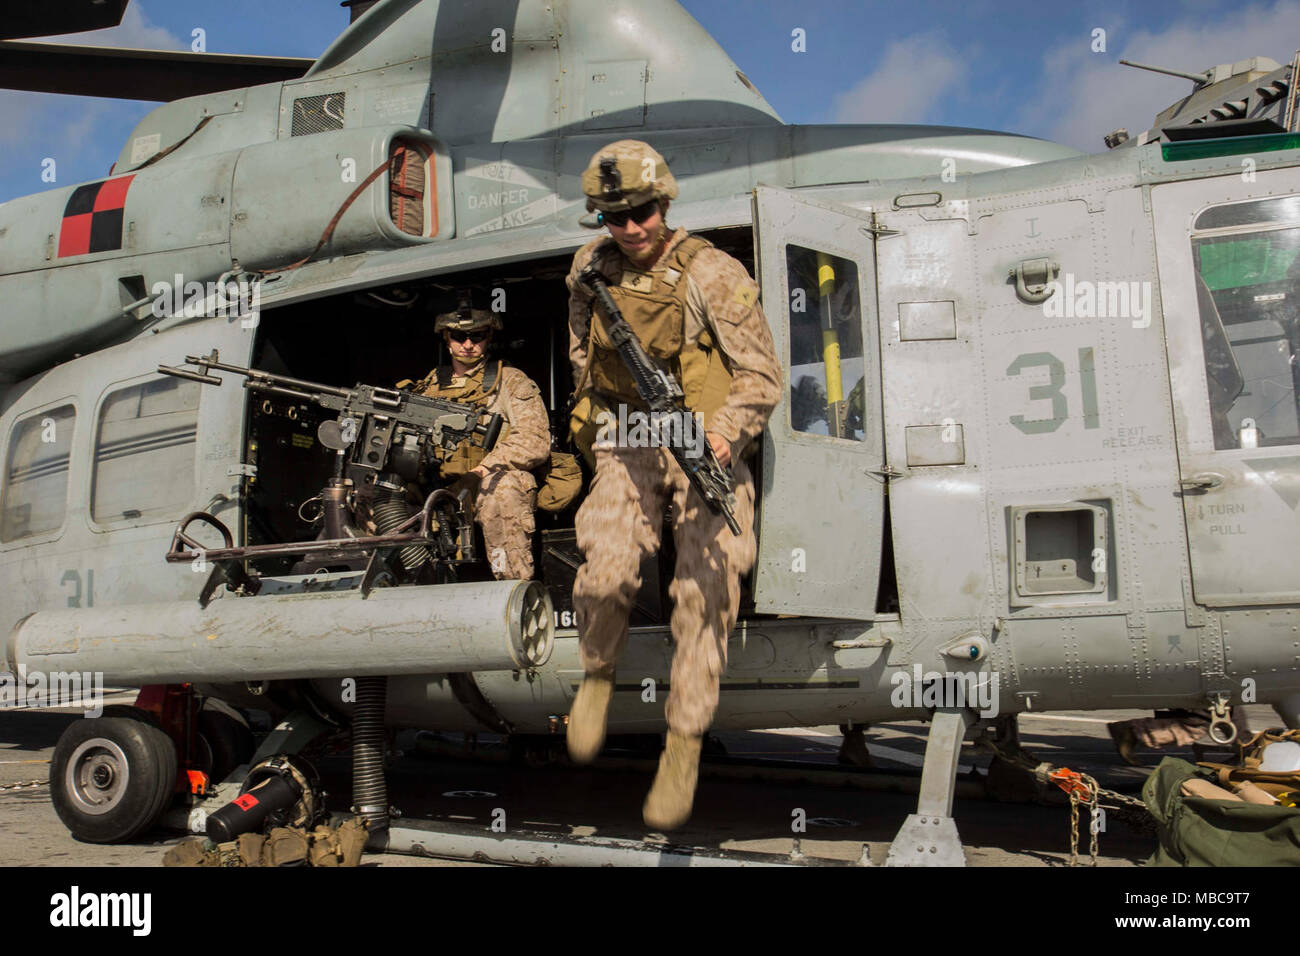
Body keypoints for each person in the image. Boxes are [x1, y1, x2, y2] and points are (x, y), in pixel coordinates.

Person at [564, 140, 782, 829]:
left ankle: (683, 744)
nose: (631, 228)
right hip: (628, 434)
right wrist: (595, 419)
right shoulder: (589, 267)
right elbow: (583, 347)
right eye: (614, 216)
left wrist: (720, 438)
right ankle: (598, 674)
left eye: (643, 212)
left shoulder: (713, 272)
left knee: (703, 595)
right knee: (604, 570)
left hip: (705, 441)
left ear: (667, 202)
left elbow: (762, 377)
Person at [404, 300, 550, 580]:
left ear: (489, 336)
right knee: (376, 493)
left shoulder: (509, 380)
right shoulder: (429, 386)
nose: (468, 344)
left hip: (486, 483)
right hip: (439, 486)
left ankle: (513, 588)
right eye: (459, 336)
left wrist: (483, 469)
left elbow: (534, 439)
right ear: (446, 337)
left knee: (504, 488)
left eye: (477, 336)